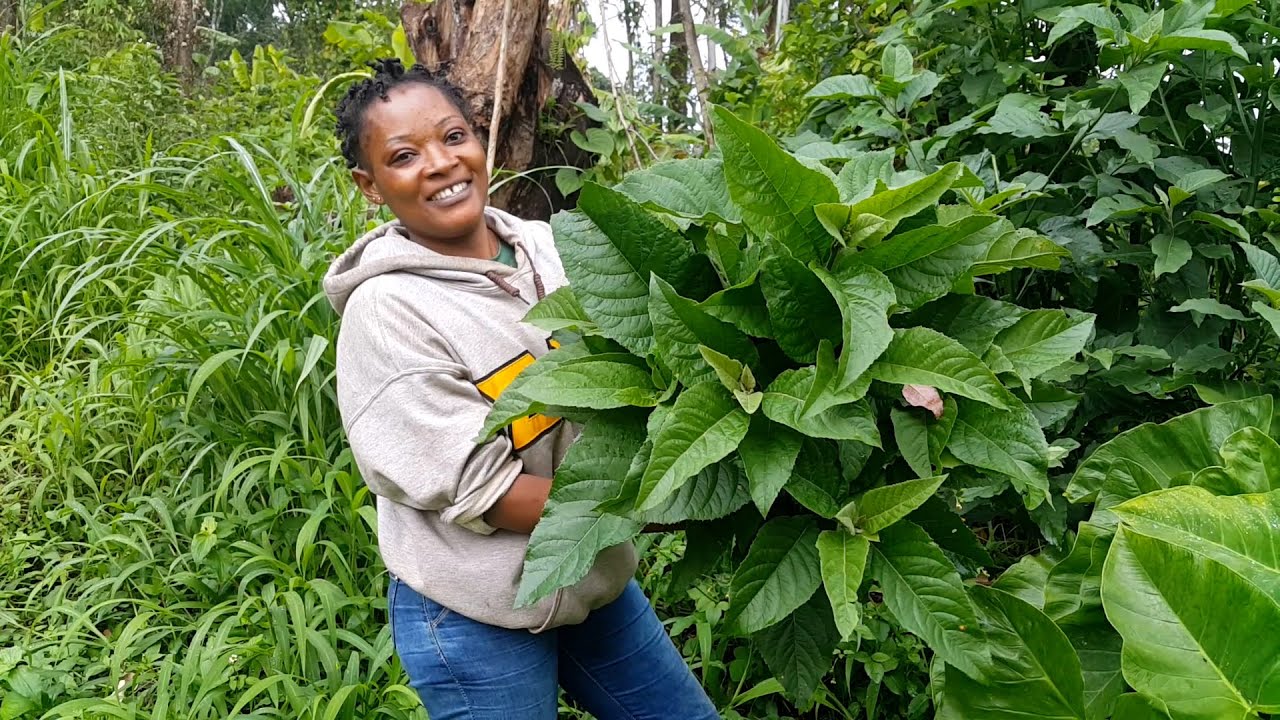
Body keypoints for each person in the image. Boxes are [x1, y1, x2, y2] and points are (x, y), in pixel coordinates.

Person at [323, 59, 720, 720]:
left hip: (590, 576)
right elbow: (491, 493)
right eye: (403, 155)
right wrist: (667, 499)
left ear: (480, 138)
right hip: (473, 613)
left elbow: (683, 334)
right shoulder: (387, 315)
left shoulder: (551, 248)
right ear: (370, 185)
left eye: (453, 137)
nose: (442, 163)